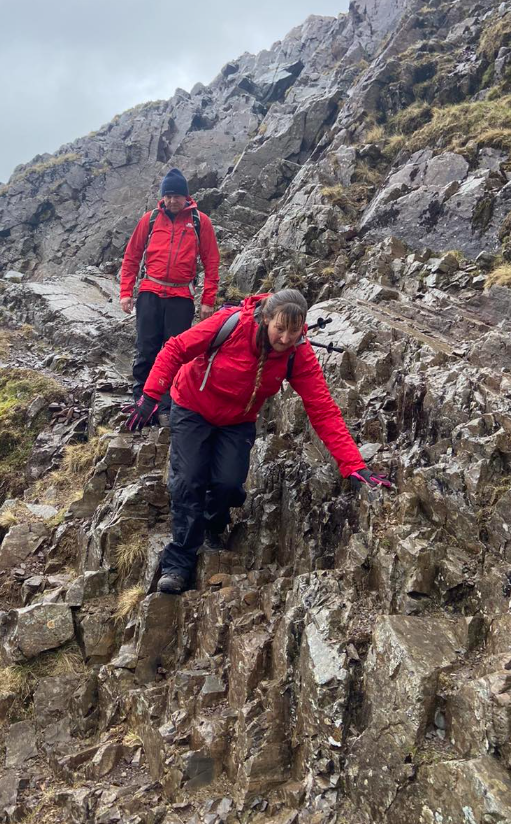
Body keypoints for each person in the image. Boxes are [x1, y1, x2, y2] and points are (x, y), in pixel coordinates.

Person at [125, 289, 392, 594]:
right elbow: (175, 348)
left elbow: (322, 408)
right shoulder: (230, 324)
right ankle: (179, 563)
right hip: (192, 408)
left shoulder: (297, 353)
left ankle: (213, 524)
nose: (286, 338)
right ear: (266, 318)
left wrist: (353, 464)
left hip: (237, 421)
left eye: (294, 330)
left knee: (227, 484)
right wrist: (149, 397)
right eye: (280, 329)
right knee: (187, 482)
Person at [120, 167, 220, 425]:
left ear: (187, 197)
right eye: (169, 196)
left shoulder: (200, 222)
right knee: (145, 349)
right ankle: (141, 401)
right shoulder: (150, 219)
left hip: (181, 297)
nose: (173, 200)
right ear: (162, 197)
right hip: (150, 293)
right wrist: (125, 293)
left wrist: (208, 300)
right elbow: (132, 256)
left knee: (175, 352)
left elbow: (212, 263)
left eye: (178, 196)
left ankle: (165, 404)